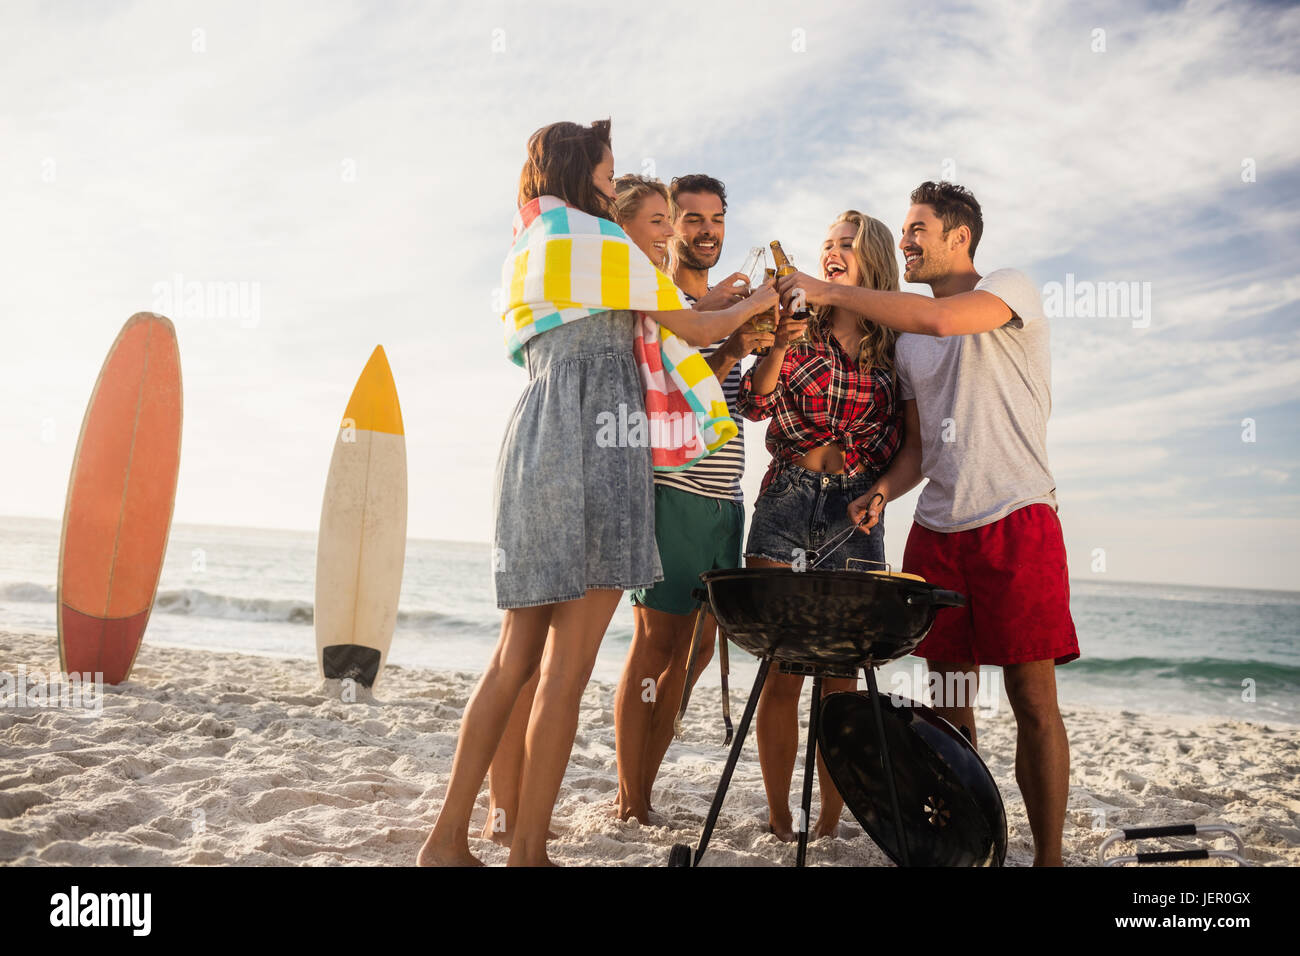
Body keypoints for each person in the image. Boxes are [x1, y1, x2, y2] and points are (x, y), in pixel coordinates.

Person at [417, 120, 777, 867]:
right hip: (602, 447)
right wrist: (761, 302)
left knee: (513, 656)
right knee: (567, 672)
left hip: (535, 439)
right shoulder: (603, 243)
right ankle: (529, 854)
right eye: (610, 177)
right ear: (584, 174)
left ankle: (447, 838)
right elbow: (688, 322)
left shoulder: (526, 247)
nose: (614, 188)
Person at [777, 181, 1079, 866]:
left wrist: (827, 291)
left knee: (1033, 700)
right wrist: (883, 490)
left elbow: (943, 321)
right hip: (939, 533)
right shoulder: (910, 345)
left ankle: (1051, 858)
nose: (906, 241)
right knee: (949, 702)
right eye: (905, 231)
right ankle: (968, 849)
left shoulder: (1008, 289)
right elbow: (917, 449)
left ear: (959, 237)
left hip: (1019, 516)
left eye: (918, 229)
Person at [737, 210, 904, 841]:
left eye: (847, 246)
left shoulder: (895, 351)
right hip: (786, 500)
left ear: (874, 262)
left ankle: (830, 823)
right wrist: (781, 340)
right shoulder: (798, 331)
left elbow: (903, 445)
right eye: (827, 244)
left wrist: (881, 494)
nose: (832, 253)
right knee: (781, 668)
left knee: (841, 681)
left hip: (856, 516)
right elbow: (754, 405)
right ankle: (782, 820)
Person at [611, 174, 772, 824]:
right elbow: (675, 396)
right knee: (655, 642)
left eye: (716, 219)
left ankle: (644, 778)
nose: (706, 231)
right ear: (668, 226)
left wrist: (770, 344)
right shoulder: (665, 301)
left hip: (725, 500)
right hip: (673, 492)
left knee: (700, 649)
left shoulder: (725, 304)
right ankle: (632, 796)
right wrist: (736, 342)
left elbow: (743, 403)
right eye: (692, 219)